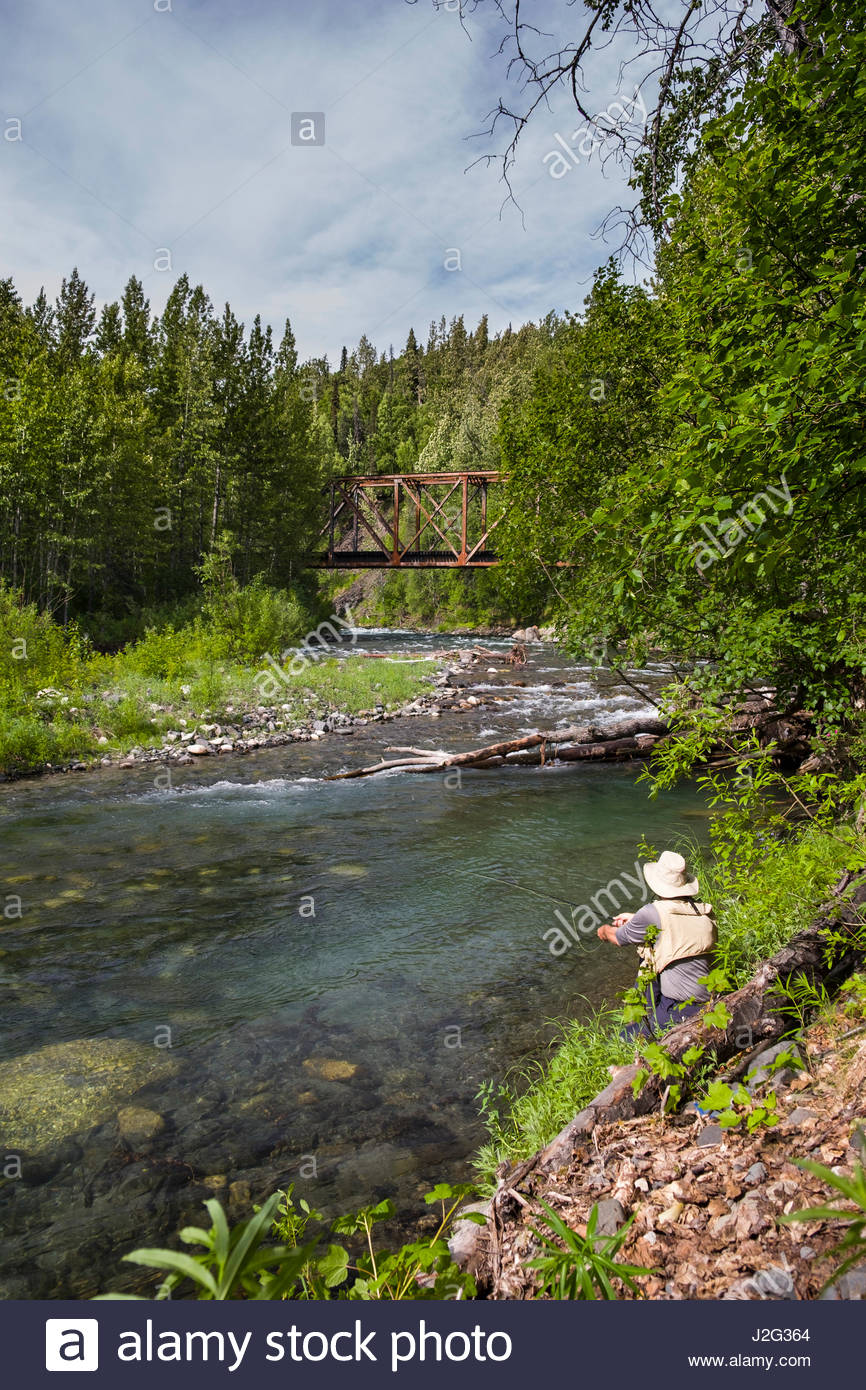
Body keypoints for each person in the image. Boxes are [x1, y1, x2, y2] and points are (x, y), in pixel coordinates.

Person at [596, 850, 717, 1040]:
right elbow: (675, 928)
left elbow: (616, 938)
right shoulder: (702, 911)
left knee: (622, 1039)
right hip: (710, 999)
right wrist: (636, 919)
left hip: (680, 1007)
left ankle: (642, 1029)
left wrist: (603, 930)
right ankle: (645, 1018)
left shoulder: (651, 914)